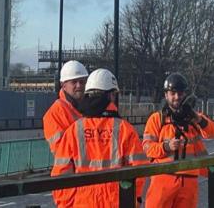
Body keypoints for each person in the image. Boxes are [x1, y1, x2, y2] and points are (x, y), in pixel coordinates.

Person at [51, 68, 148, 206]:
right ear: (112, 96)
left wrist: (68, 205)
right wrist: (133, 200)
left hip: (83, 203)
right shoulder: (124, 129)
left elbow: (60, 175)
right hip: (116, 202)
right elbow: (140, 170)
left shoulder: (75, 130)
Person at [142, 72, 214, 208]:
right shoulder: (157, 119)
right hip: (163, 178)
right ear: (166, 95)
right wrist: (166, 146)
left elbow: (213, 132)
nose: (177, 97)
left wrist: (197, 118)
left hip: (189, 182)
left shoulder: (194, 118)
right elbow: (147, 148)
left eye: (180, 93)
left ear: (185, 94)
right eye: (173, 93)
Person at [43, 60, 88, 207]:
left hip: (87, 182)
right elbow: (61, 151)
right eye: (74, 82)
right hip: (69, 186)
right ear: (63, 85)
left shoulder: (89, 108)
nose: (79, 86)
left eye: (82, 81)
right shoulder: (54, 113)